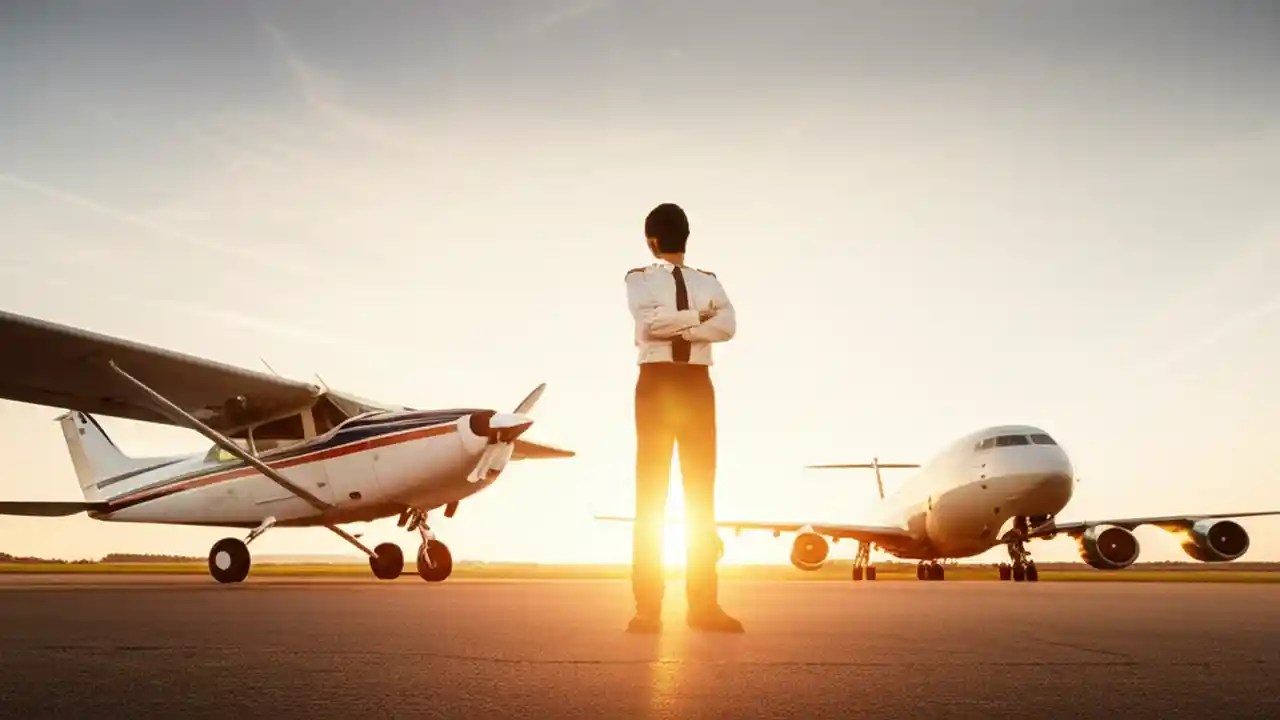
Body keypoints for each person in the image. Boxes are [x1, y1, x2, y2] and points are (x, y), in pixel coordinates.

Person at [624, 202, 743, 634]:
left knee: (692, 495)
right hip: (674, 385)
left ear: (650, 240)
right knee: (662, 494)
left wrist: (680, 325)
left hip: (680, 384)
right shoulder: (641, 279)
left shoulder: (703, 280)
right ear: (685, 238)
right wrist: (701, 318)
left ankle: (680, 608)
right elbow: (650, 328)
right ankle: (659, 607)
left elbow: (728, 326)